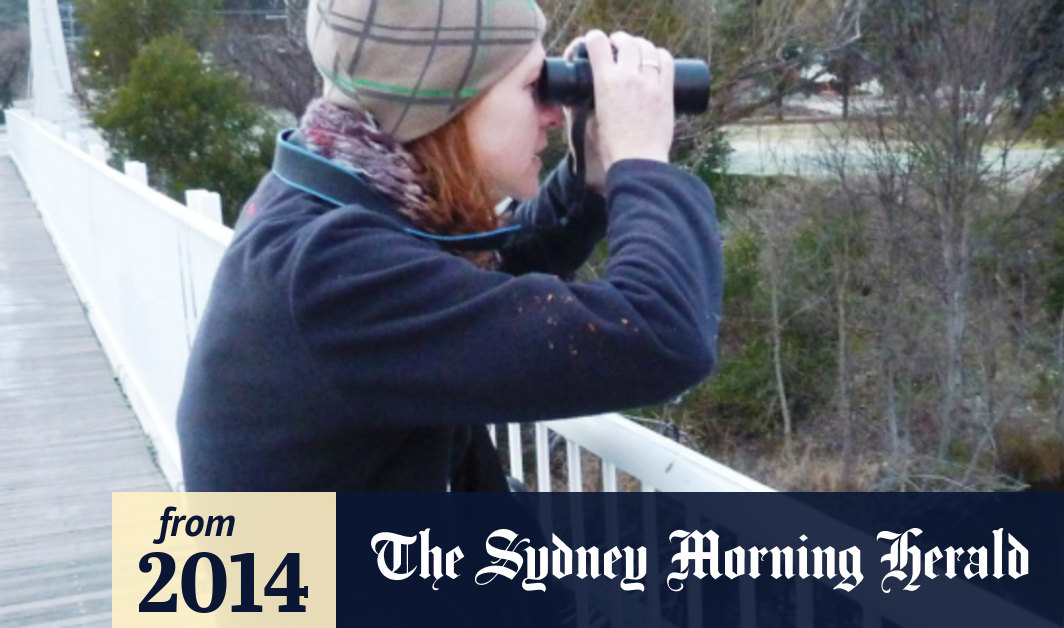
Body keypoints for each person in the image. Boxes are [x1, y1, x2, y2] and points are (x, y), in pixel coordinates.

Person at [177, 0, 723, 492]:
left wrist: (591, 180)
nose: (554, 113)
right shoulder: (327, 271)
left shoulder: (327, 199)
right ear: (446, 105)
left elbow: (484, 284)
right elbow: (659, 337)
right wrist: (642, 162)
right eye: (536, 87)